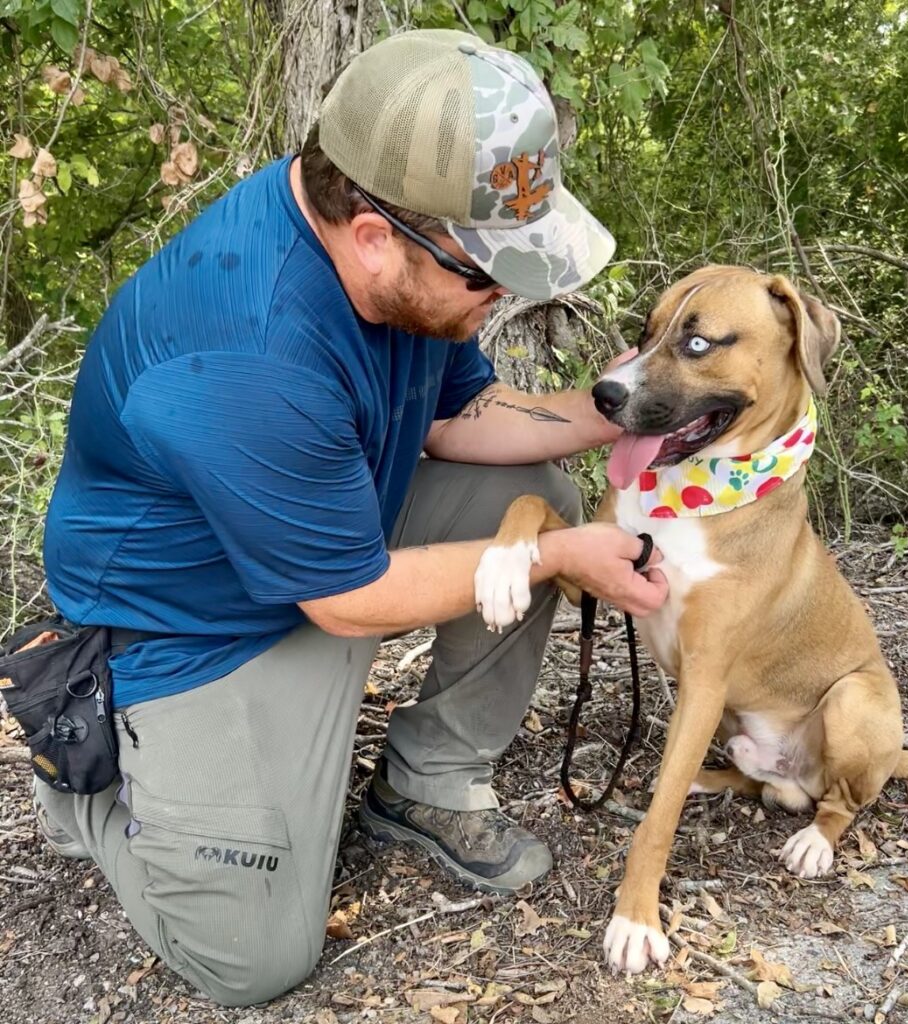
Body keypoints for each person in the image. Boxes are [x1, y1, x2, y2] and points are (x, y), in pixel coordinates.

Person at [34, 28, 668, 1007]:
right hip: (194, 624)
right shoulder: (248, 351)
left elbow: (459, 420)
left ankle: (428, 781)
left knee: (532, 487)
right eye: (488, 274)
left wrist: (622, 414)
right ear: (374, 236)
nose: (503, 296)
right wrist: (556, 556)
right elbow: (345, 597)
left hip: (332, 531)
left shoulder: (407, 280)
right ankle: (88, 788)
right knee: (252, 961)